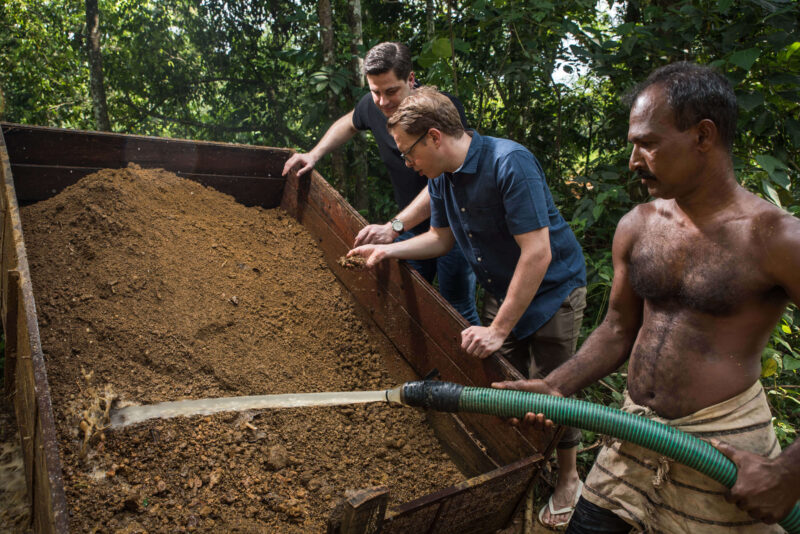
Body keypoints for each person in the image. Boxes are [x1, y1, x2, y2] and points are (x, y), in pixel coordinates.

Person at [493, 62, 800, 533]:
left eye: (649, 144)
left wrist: (788, 472)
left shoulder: (775, 238)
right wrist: (556, 386)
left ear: (703, 136)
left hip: (724, 449)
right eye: (633, 144)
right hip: (634, 435)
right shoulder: (639, 225)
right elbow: (617, 328)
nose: (634, 161)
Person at [347, 86, 588, 529]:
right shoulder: (441, 178)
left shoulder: (508, 163)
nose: (406, 162)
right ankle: (525, 467)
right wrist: (391, 250)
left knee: (554, 386)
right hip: (503, 290)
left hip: (553, 291)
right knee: (506, 388)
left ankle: (569, 478)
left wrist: (497, 328)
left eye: (408, 152)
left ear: (434, 137)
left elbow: (537, 254)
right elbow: (442, 238)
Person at [282, 42, 480, 326]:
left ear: (411, 79)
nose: (383, 102)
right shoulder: (373, 106)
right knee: (401, 295)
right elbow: (348, 123)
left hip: (454, 230)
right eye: (375, 92)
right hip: (410, 229)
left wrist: (393, 227)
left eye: (391, 91)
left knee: (457, 307)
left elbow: (440, 184)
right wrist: (314, 154)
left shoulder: (440, 111)